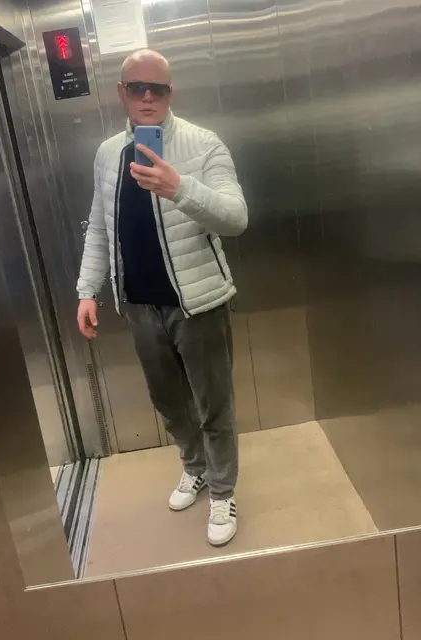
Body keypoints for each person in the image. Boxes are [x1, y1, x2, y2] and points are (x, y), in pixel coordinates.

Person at [77, 49, 248, 546]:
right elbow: (100, 228)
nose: (148, 97)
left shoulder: (203, 143)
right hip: (139, 304)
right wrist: (88, 290)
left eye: (159, 89)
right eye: (138, 87)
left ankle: (223, 490)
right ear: (122, 92)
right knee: (169, 401)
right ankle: (195, 468)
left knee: (213, 403)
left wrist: (180, 187)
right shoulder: (108, 153)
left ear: (172, 93)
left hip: (199, 302)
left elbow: (236, 217)